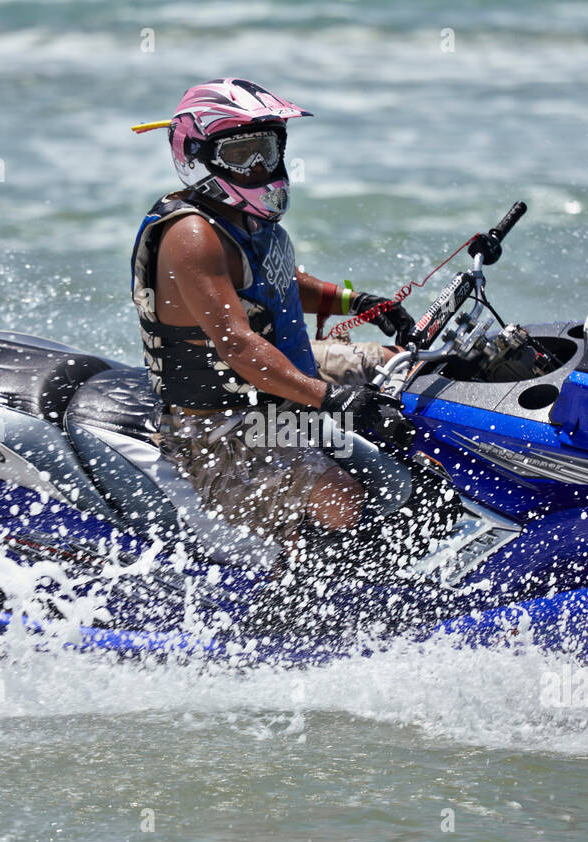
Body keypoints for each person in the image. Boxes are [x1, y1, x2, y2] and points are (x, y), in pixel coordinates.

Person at [130, 78, 421, 555]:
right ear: (197, 155)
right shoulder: (191, 235)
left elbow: (279, 281)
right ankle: (291, 603)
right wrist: (332, 399)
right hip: (219, 422)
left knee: (402, 368)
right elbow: (238, 345)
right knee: (340, 500)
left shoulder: (242, 219)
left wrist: (361, 302)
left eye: (266, 149)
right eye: (241, 154)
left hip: (274, 375)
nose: (261, 165)